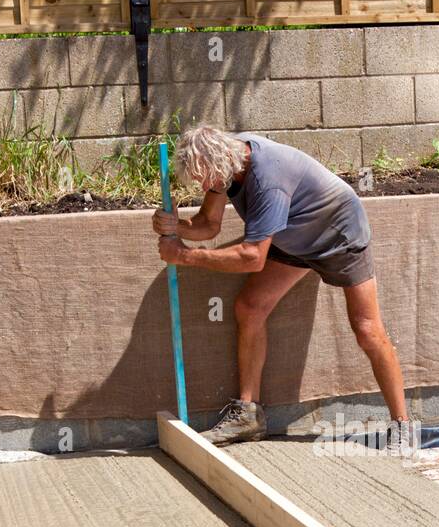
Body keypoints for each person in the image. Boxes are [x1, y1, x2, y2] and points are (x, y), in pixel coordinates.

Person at [152, 125, 411, 447]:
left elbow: (251, 258)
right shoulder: (228, 161)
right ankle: (248, 416)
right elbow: (208, 224)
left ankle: (402, 426)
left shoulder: (266, 180)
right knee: (250, 307)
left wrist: (185, 257)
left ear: (220, 163)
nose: (204, 186)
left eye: (205, 179)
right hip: (293, 239)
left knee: (367, 330)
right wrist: (174, 225)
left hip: (339, 236)